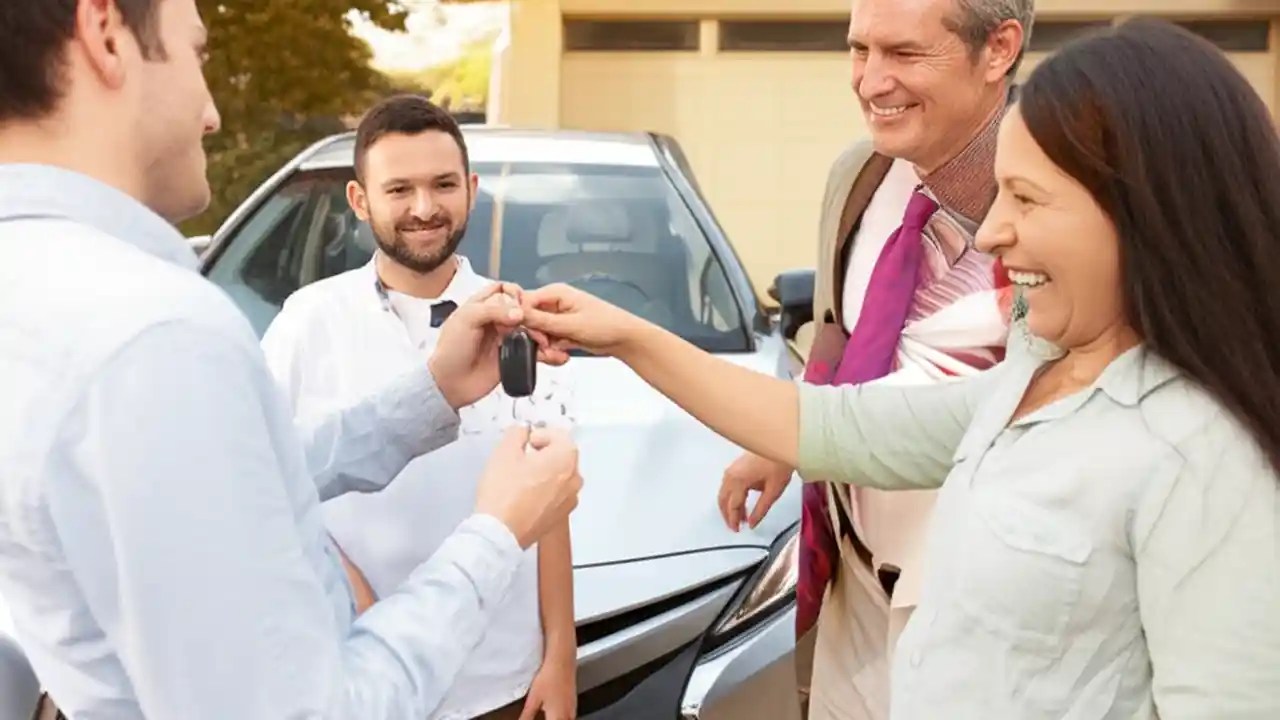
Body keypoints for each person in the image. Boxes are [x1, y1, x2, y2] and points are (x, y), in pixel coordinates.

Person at [518, 18, 1280, 719]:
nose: (993, 236)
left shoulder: (1209, 460)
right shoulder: (1034, 369)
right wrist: (624, 335)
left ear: (1142, 211)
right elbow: (834, 426)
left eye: (1026, 199)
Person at [0, 1, 583, 718]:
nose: (212, 113)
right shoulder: (152, 334)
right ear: (105, 34)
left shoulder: (31, 292)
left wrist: (429, 394)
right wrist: (495, 534)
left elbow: (248, 481)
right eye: (197, 53)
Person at [716, 0, 1030, 714]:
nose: (870, 82)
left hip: (983, 615)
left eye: (905, 54)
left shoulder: (1065, 202)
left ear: (998, 49)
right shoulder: (857, 174)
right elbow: (842, 330)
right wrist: (788, 443)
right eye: (860, 50)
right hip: (851, 588)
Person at [261, 95, 577, 720]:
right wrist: (348, 588)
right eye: (399, 188)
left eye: (442, 185)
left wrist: (561, 653)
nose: (425, 208)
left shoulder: (518, 322)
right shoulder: (305, 323)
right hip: (355, 679)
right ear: (360, 200)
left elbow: (551, 502)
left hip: (499, 684)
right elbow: (264, 487)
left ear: (472, 189)